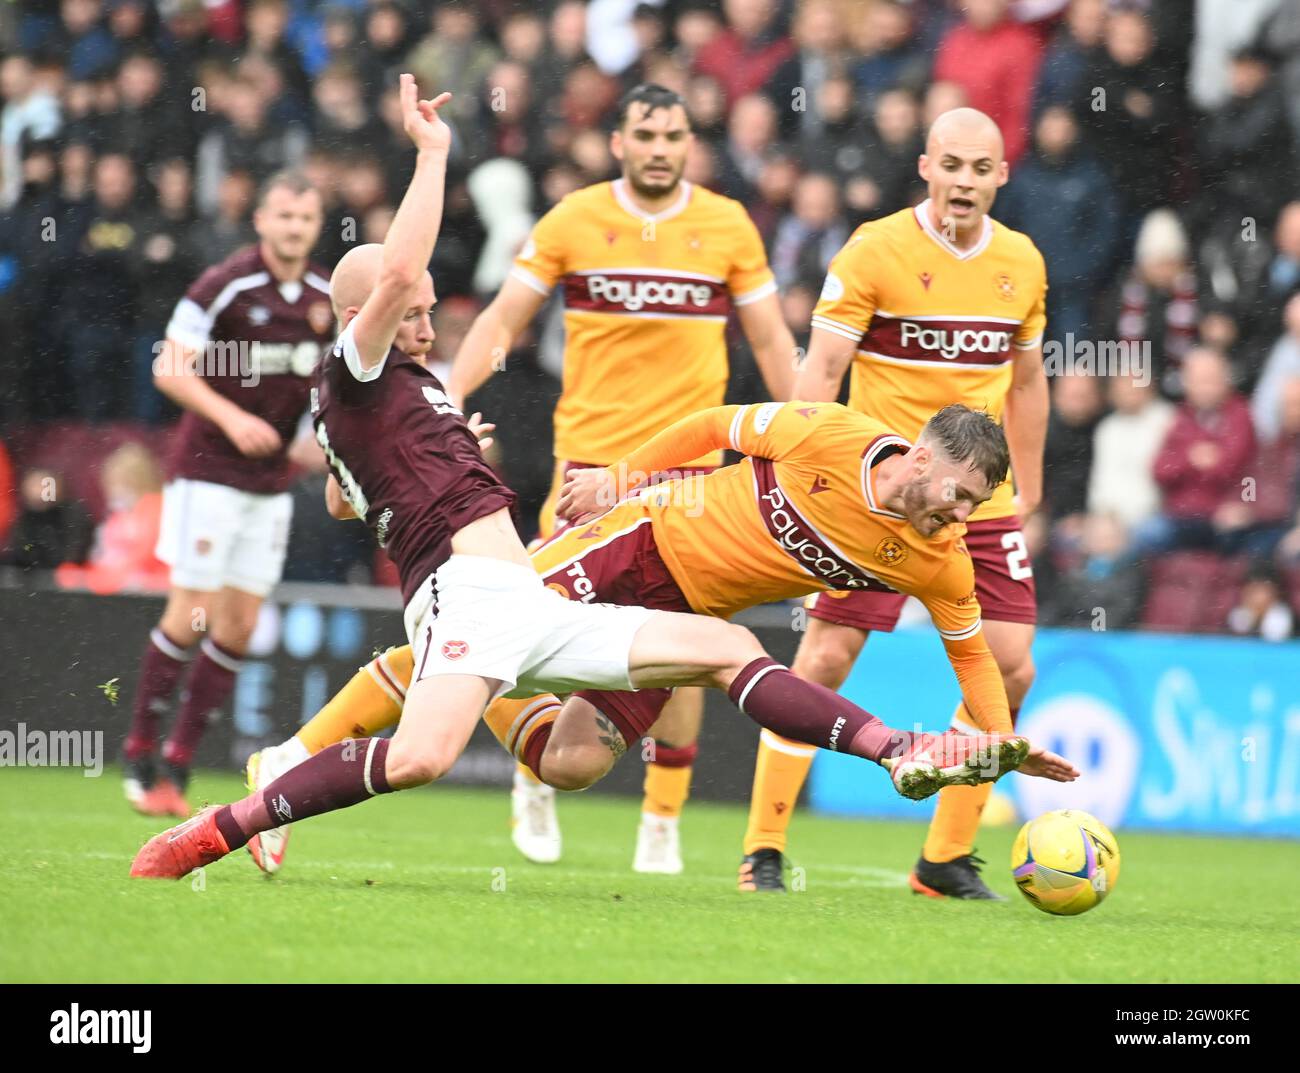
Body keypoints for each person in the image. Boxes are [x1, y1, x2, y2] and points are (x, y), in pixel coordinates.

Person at [129, 77, 1069, 882]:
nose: (426, 322)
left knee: (665, 692)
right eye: (413, 313)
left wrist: (440, 440)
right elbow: (414, 280)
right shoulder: (362, 365)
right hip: (573, 535)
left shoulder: (407, 394)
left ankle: (883, 756)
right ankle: (261, 788)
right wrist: (432, 154)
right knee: (422, 751)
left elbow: (347, 493)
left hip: (520, 583)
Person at [242, 398, 1081, 875]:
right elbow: (717, 426)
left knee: (567, 763)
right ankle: (289, 761)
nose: (962, 516)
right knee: (479, 660)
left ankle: (437, 668)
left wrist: (1000, 744)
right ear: (925, 458)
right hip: (636, 537)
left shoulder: (939, 561)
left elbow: (975, 661)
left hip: (686, 615)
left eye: (975, 505)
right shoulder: (829, 434)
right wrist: (623, 476)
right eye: (960, 494)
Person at [434, 82, 796, 872]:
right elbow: (501, 320)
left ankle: (660, 819)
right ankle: (535, 775)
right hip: (588, 469)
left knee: (691, 646)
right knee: (533, 627)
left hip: (689, 474)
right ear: (618, 143)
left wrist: (800, 438)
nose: (661, 146)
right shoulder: (573, 220)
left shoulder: (727, 225)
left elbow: (772, 344)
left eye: (674, 134)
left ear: (690, 143)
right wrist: (450, 397)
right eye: (646, 133)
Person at [740, 106, 1050, 898]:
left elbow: (1028, 382)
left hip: (982, 502)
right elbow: (822, 372)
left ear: (1001, 176)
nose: (964, 182)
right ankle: (764, 849)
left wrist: (1031, 489)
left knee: (1011, 668)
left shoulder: (1022, 261)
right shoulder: (874, 249)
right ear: (925, 166)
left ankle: (944, 859)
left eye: (980, 169)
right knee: (827, 658)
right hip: (880, 495)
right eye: (952, 165)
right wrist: (801, 469)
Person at [120, 169, 333, 817]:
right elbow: (169, 367)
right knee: (193, 612)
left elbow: (334, 386)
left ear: (316, 226)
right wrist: (233, 417)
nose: (294, 227)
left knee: (239, 625)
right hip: (208, 471)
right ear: (261, 221)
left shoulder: (326, 297)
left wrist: (314, 439)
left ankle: (179, 763)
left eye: (305, 218)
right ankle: (138, 751)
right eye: (284, 215)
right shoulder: (225, 285)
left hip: (270, 484)